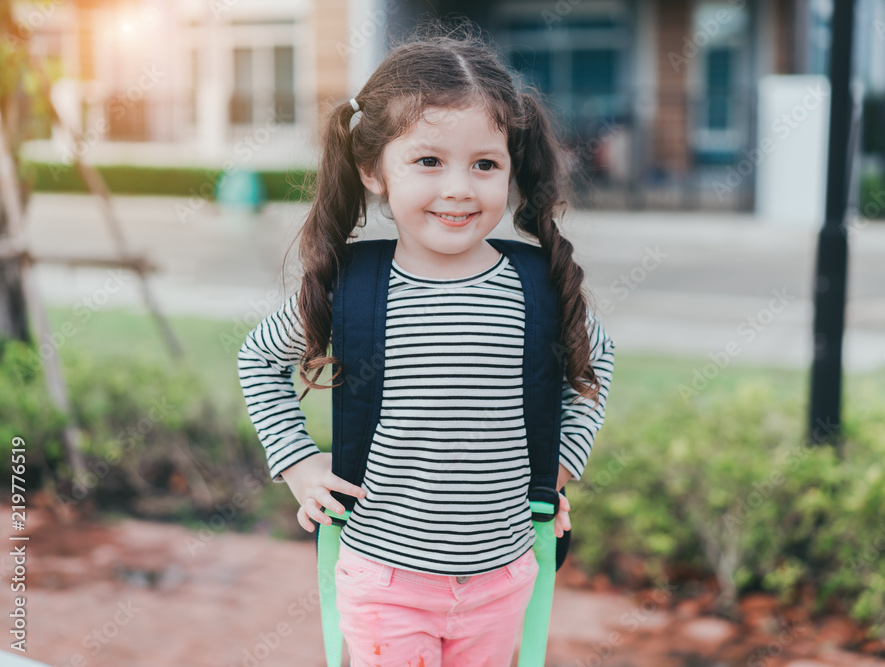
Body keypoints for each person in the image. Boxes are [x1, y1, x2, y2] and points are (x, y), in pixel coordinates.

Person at [237, 21, 616, 667]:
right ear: (374, 169)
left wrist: (554, 469)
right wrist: (298, 462)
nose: (460, 188)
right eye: (429, 161)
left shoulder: (536, 290)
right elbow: (258, 360)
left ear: (510, 169)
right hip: (386, 581)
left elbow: (593, 365)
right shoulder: (351, 291)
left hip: (502, 579)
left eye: (485, 164)